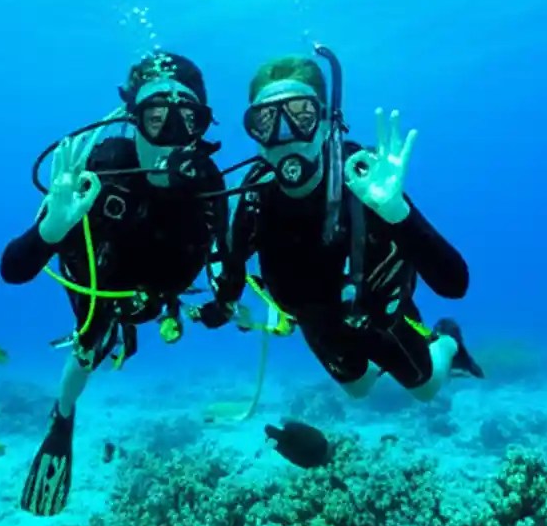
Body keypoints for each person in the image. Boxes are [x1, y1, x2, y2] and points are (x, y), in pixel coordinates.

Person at [0, 51, 229, 516]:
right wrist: (52, 228)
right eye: (155, 118)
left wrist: (225, 303)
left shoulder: (208, 183)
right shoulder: (96, 173)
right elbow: (14, 270)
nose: (169, 136)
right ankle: (61, 420)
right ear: (132, 118)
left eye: (187, 120)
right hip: (102, 285)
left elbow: (227, 257)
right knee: (89, 346)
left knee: (116, 332)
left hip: (165, 290)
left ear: (202, 125)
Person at [191, 47, 482, 402]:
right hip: (317, 321)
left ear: (327, 120)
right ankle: (373, 364)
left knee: (425, 388)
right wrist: (219, 301)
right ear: (255, 132)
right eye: (268, 121)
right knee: (358, 390)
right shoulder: (253, 198)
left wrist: (396, 212)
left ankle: (448, 341)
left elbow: (455, 283)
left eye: (302, 115)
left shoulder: (366, 180)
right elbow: (231, 276)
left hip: (379, 312)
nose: (287, 134)